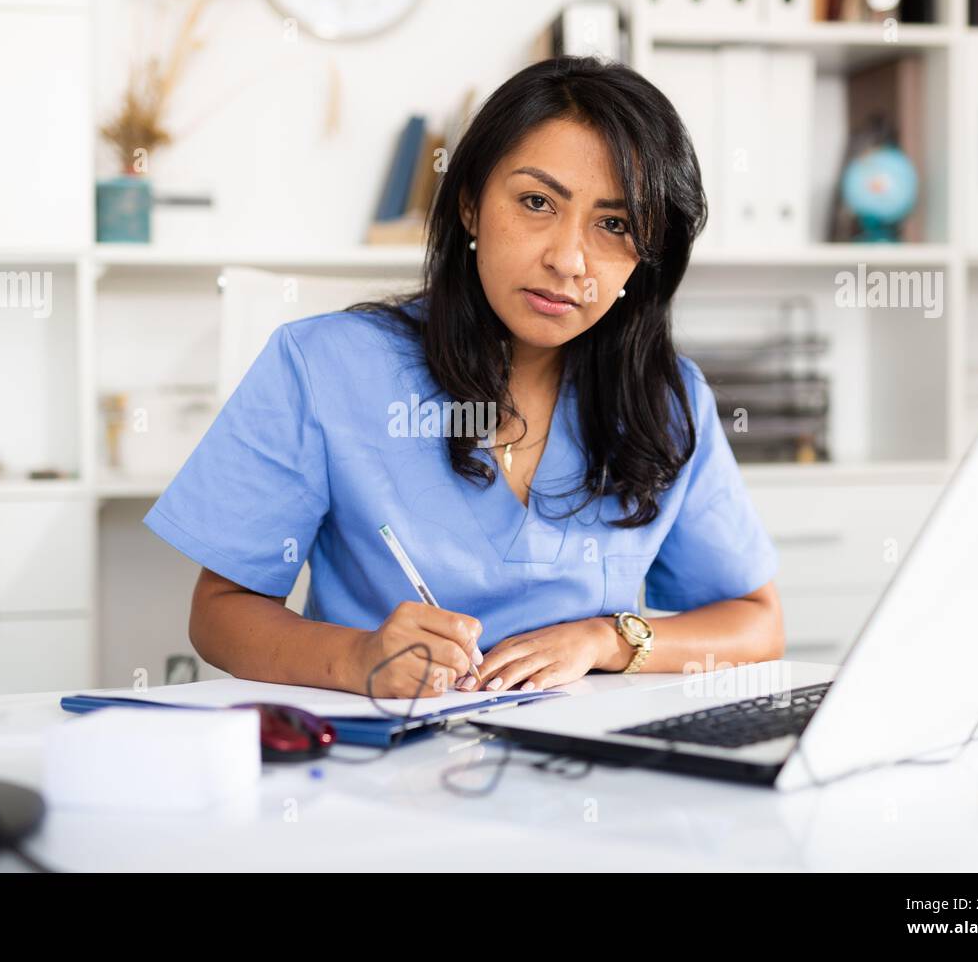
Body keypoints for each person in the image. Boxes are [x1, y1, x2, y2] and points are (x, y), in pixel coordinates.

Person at [145, 56, 782, 699]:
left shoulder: (668, 399)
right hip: (381, 764)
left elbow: (756, 623)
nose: (568, 259)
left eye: (614, 224)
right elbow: (219, 614)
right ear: (472, 205)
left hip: (587, 766)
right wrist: (359, 657)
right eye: (536, 202)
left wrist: (605, 638)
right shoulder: (324, 367)